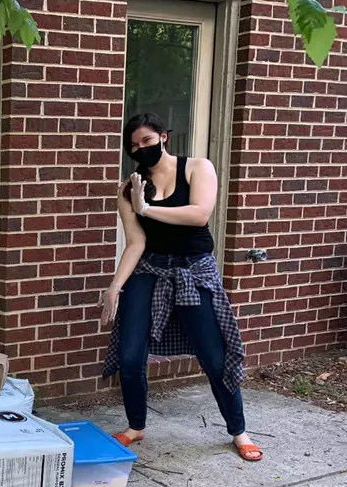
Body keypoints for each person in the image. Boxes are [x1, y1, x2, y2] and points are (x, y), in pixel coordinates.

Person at [100, 112, 261, 461]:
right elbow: (135, 243)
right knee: (130, 355)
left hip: (193, 271)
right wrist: (114, 287)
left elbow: (199, 214)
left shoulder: (197, 168)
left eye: (146, 140)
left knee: (214, 356)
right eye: (134, 146)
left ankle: (239, 430)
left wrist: (150, 208)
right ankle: (135, 426)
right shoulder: (128, 190)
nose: (141, 149)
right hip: (150, 269)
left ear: (163, 136)